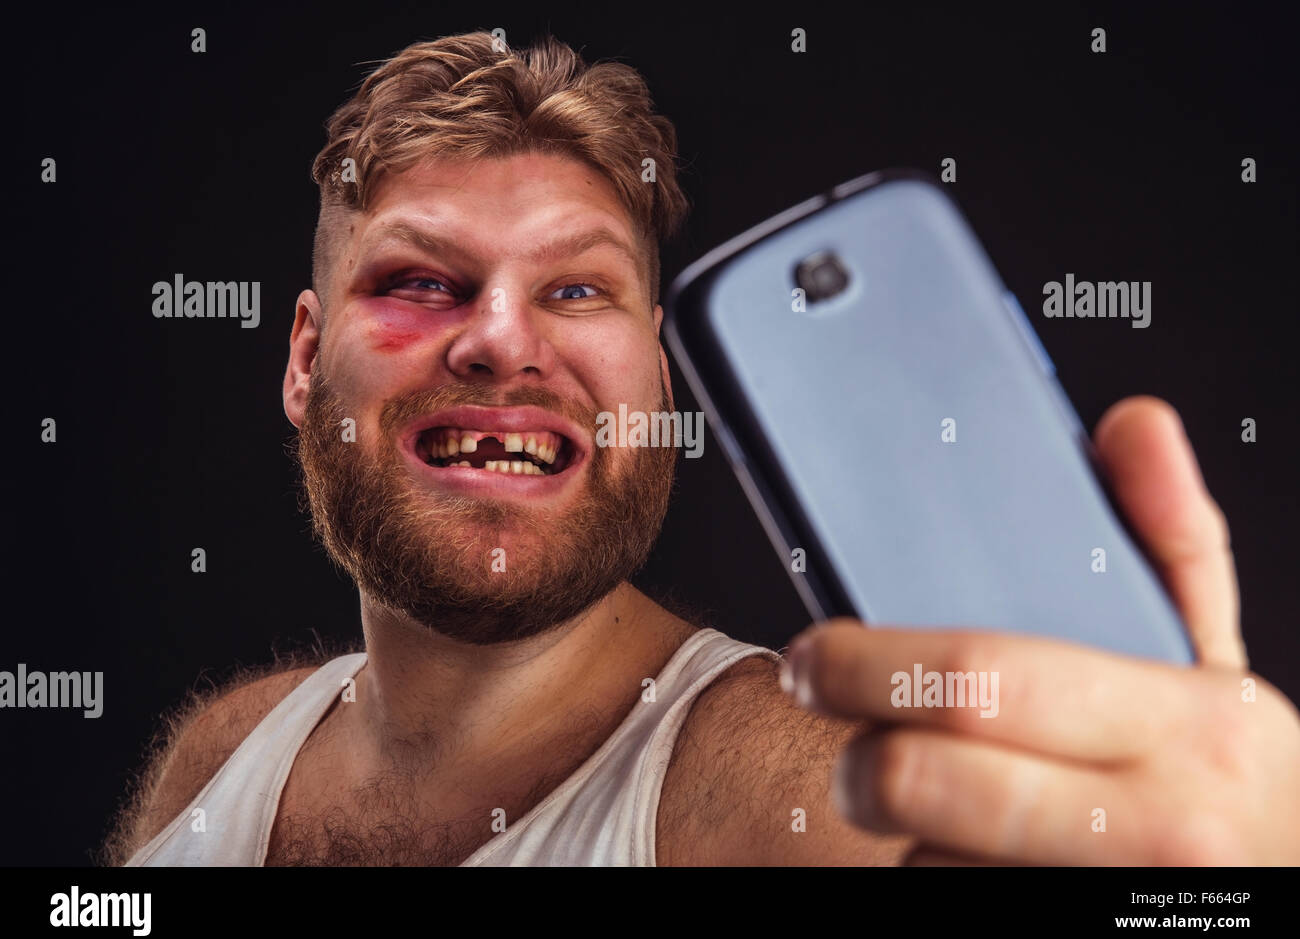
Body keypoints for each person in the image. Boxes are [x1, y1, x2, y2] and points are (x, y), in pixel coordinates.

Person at [105, 30, 1300, 866]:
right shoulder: (217, 758)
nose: (501, 339)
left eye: (577, 289)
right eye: (420, 280)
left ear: (659, 384)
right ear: (305, 360)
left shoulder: (800, 794)